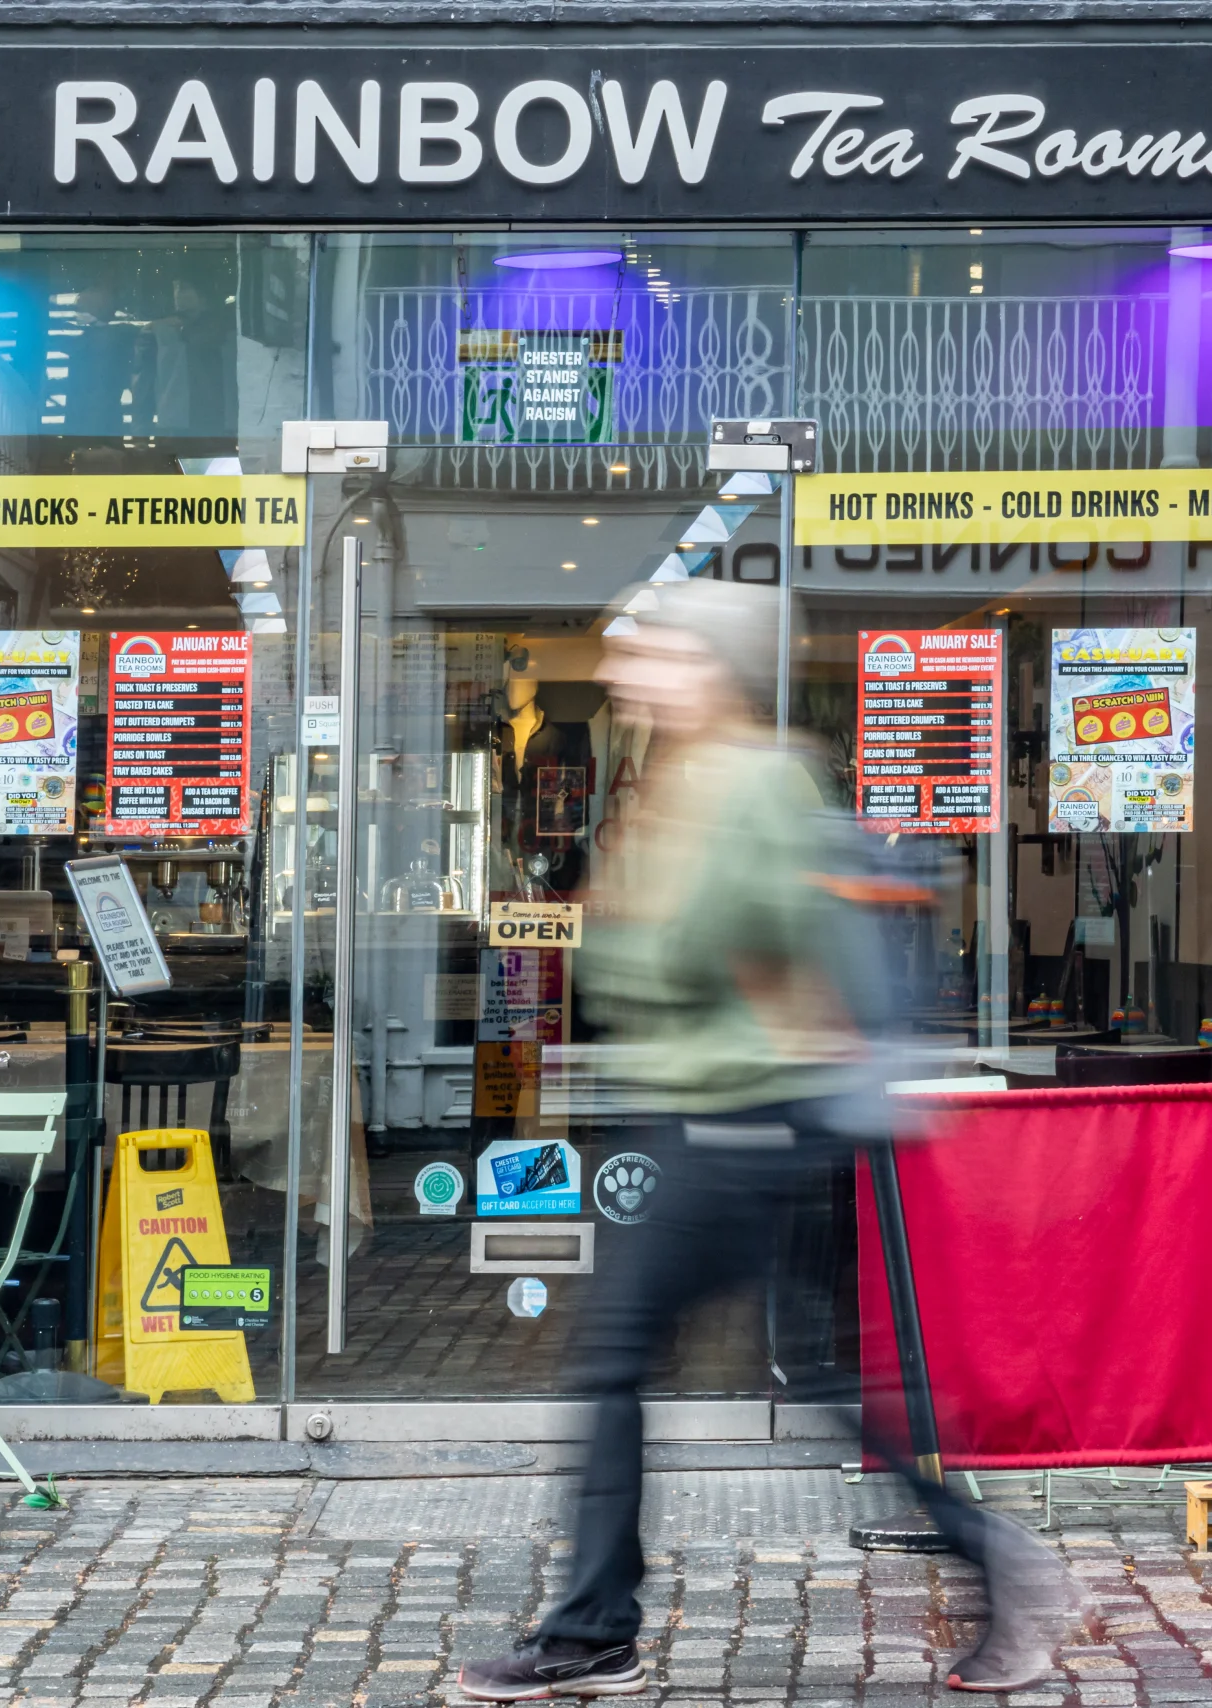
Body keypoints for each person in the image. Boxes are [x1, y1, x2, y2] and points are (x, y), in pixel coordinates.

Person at [455, 582, 1081, 1702]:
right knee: (835, 1383)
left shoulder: (751, 786)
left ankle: (593, 1629)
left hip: (744, 1126)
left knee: (615, 1365)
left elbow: (735, 956)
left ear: (707, 667)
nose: (623, 672)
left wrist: (663, 957)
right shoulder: (687, 782)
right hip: (721, 1118)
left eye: (648, 655)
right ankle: (1002, 1567)